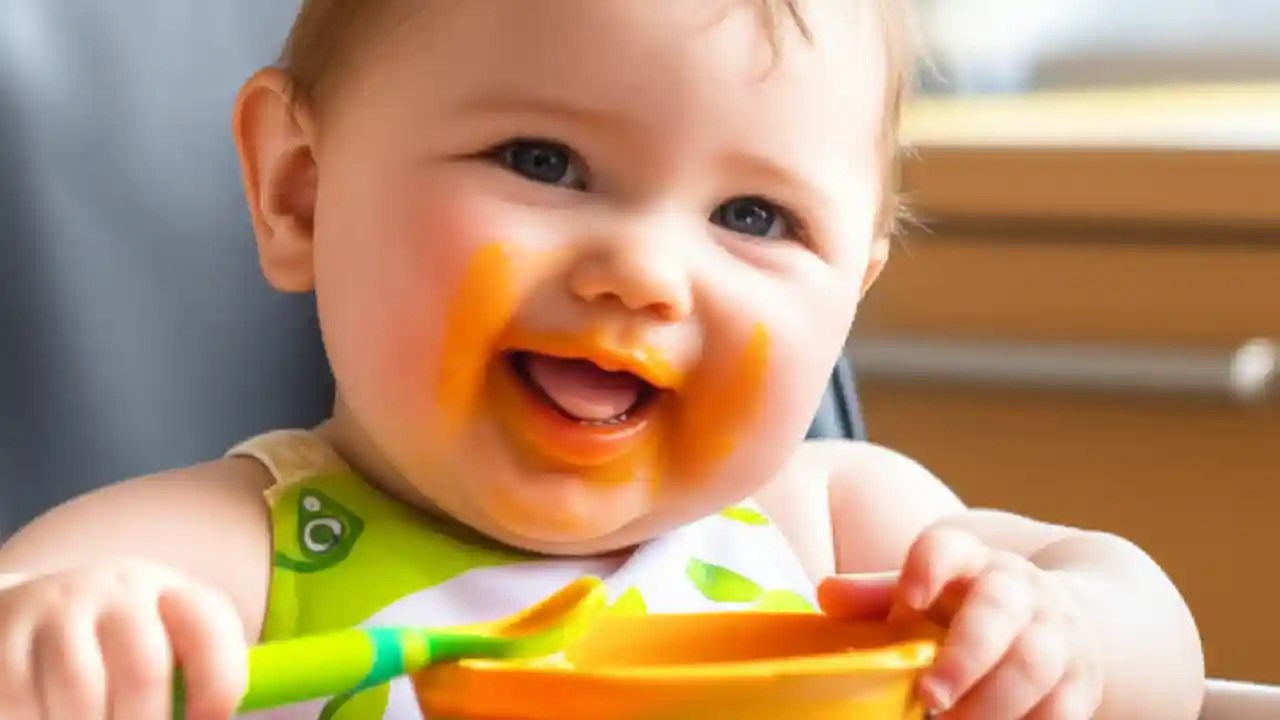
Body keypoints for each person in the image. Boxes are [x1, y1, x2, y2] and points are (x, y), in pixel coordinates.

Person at [0, 1, 1204, 718]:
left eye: (752, 218)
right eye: (540, 162)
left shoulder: (832, 526)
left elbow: (1156, 646)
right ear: (299, 191)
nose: (643, 276)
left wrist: (1067, 641)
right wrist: (65, 642)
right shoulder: (231, 558)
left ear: (847, 299)